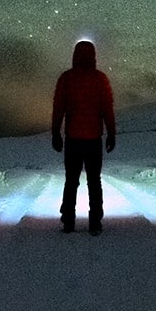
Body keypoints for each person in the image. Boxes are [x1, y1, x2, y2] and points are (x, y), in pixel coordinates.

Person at [51, 39, 116, 234]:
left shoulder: (66, 78)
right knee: (94, 181)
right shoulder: (100, 79)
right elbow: (107, 110)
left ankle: (68, 221)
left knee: (71, 181)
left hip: (73, 138)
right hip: (94, 139)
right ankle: (95, 223)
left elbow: (58, 108)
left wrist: (55, 132)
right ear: (93, 55)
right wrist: (111, 133)